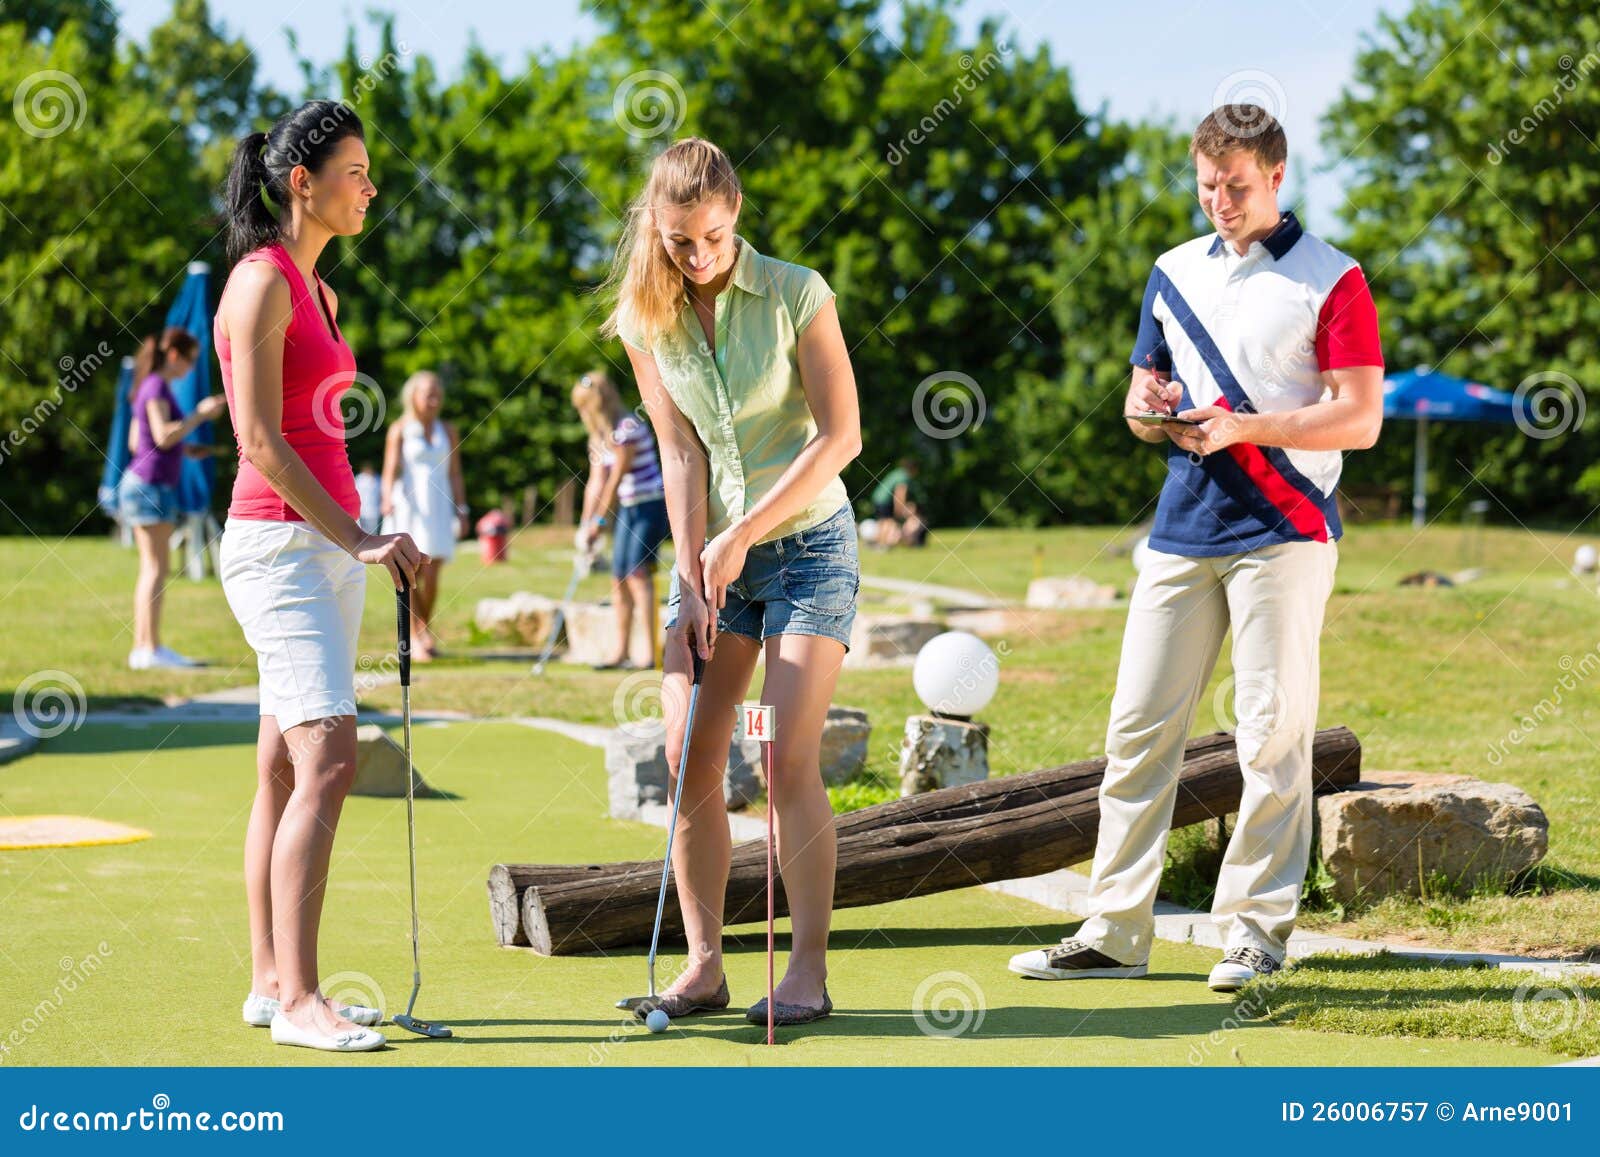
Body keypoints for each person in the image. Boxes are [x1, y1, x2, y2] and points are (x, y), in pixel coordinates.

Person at [1008, 105, 1383, 993]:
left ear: (1278, 176)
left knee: (1272, 736)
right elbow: (1141, 405)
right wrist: (1147, 411)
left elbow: (1361, 417)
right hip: (1181, 529)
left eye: (1238, 185)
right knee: (1137, 729)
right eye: (1208, 184)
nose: (1220, 200)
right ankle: (1113, 931)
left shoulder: (1335, 279)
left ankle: (1254, 932)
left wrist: (1244, 424)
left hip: (1286, 530)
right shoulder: (1171, 272)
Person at [604, 138, 862, 1026]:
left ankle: (808, 973)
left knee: (786, 750)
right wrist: (689, 584)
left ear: (735, 214)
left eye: (711, 236)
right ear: (657, 229)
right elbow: (678, 453)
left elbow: (842, 436)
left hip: (809, 545)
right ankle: (705, 964)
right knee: (687, 759)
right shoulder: (647, 318)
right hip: (714, 565)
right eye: (679, 241)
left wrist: (741, 533)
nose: (698, 256)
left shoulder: (798, 292)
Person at [215, 100, 425, 1053]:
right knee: (331, 761)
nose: (370, 187)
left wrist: (360, 536)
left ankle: (269, 982)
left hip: (327, 548)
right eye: (356, 171)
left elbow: (322, 437)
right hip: (280, 551)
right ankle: (303, 1001)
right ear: (303, 182)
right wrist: (359, 537)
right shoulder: (258, 284)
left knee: (279, 765)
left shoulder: (323, 294)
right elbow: (258, 439)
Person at [118, 326, 227, 669]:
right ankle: (149, 650)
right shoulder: (157, 386)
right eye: (192, 360)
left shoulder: (145, 385)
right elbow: (163, 436)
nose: (192, 368)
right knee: (156, 569)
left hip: (141, 483)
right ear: (175, 355)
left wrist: (183, 449)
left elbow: (139, 442)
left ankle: (144, 647)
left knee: (151, 568)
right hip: (151, 487)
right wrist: (201, 413)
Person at [572, 369, 669, 669]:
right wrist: (585, 525)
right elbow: (596, 481)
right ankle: (620, 650)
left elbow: (615, 479)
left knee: (639, 575)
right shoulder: (598, 436)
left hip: (651, 504)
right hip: (630, 507)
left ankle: (649, 653)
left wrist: (599, 524)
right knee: (619, 577)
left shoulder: (626, 428)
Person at [381, 371, 467, 661]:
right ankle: (418, 636)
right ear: (413, 397)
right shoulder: (400, 429)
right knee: (412, 572)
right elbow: (390, 470)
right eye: (427, 394)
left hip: (438, 508)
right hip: (409, 507)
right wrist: (386, 501)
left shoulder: (448, 430)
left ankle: (422, 629)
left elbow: (455, 472)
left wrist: (462, 508)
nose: (433, 400)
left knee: (433, 571)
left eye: (437, 394)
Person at [869, 457, 925, 549]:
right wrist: (899, 511)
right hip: (884, 499)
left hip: (877, 497)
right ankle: (882, 545)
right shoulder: (904, 476)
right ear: (913, 469)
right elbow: (899, 495)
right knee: (888, 521)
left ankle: (876, 543)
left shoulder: (898, 472)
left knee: (882, 521)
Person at [354, 461, 381, 534]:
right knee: (362, 532)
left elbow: (381, 493)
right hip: (362, 511)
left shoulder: (378, 478)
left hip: (374, 511)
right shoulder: (359, 479)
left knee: (373, 532)